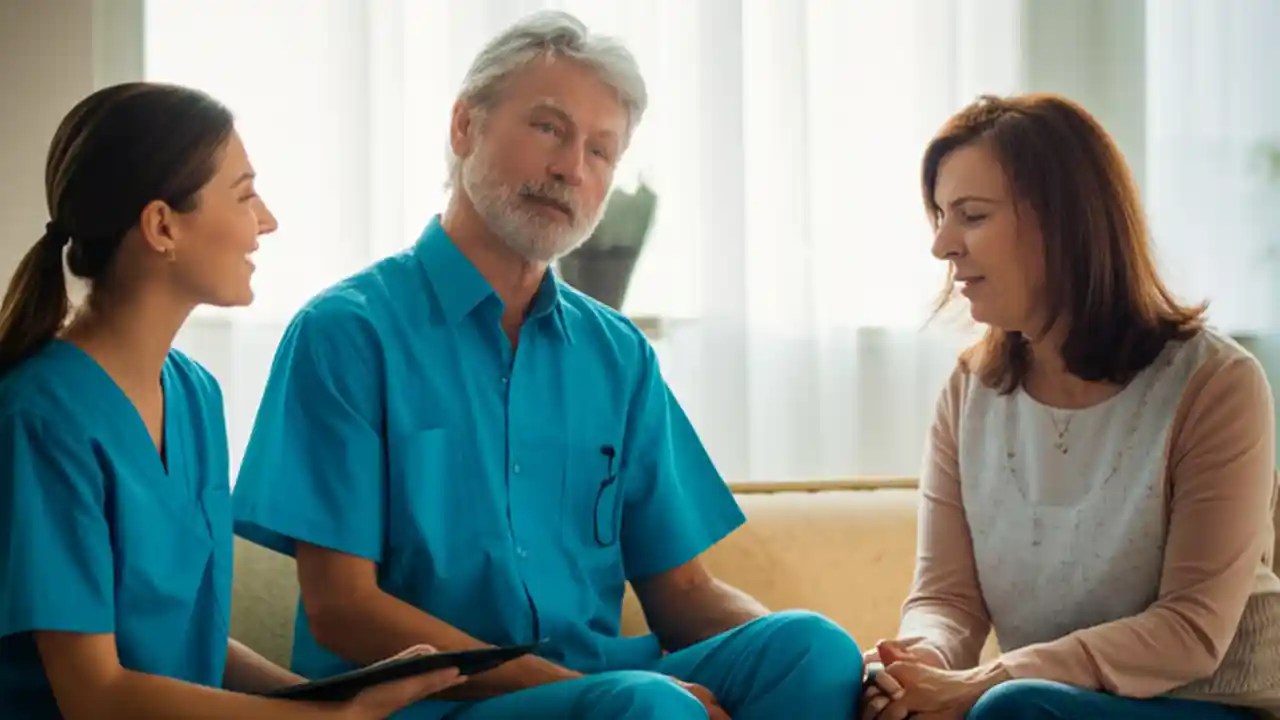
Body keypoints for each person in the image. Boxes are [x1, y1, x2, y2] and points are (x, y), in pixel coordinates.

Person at [231, 10, 862, 720]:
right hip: (429, 703)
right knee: (648, 710)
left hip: (609, 689)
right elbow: (341, 611)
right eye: (549, 129)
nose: (571, 168)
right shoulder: (345, 333)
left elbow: (682, 594)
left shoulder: (619, 356)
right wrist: (574, 690)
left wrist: (861, 674)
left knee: (816, 649)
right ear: (464, 125)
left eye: (602, 151)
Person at [0, 82, 465, 719]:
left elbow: (190, 643)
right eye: (245, 195)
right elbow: (95, 694)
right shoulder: (42, 418)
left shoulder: (195, 396)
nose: (266, 221)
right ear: (162, 225)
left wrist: (341, 696)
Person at [860, 93, 1280, 720]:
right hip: (1041, 699)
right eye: (941, 216)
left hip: (1213, 702)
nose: (942, 245)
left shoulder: (1216, 385)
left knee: (1015, 711)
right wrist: (915, 663)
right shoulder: (968, 392)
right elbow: (947, 598)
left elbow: (1191, 631)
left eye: (971, 216)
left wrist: (987, 681)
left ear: (1065, 222)